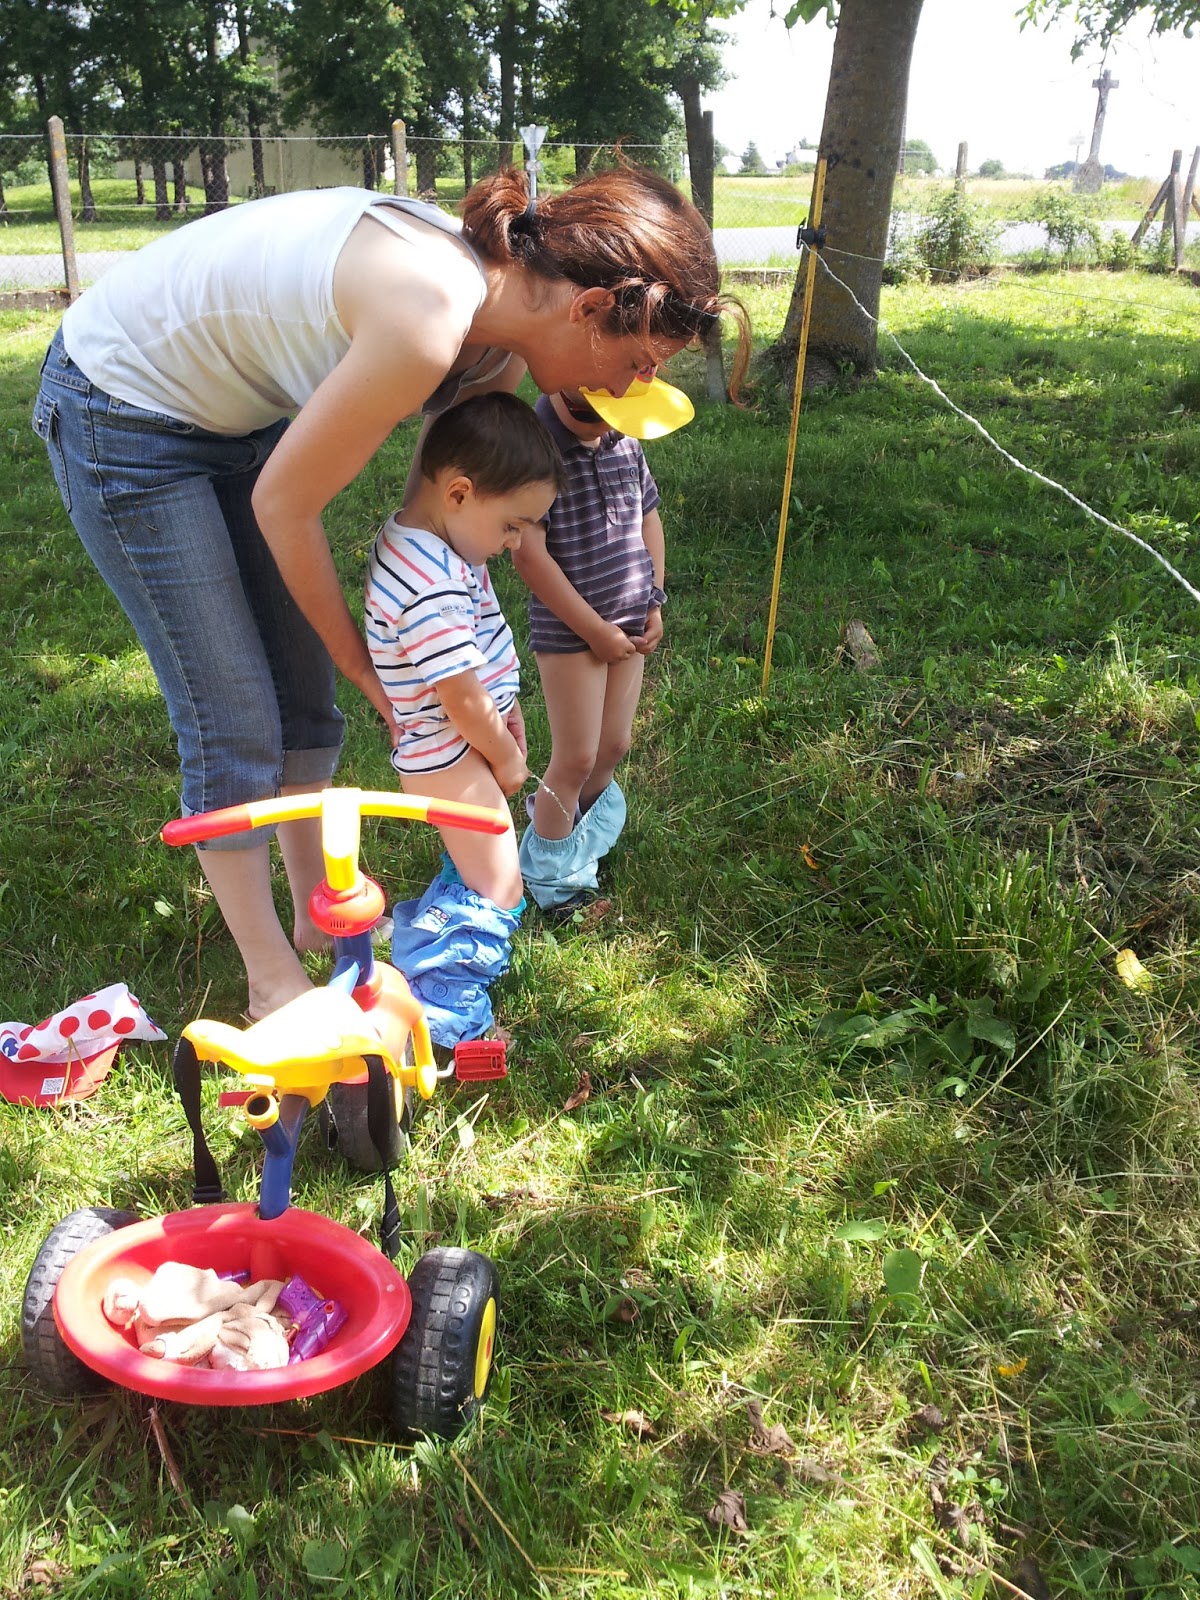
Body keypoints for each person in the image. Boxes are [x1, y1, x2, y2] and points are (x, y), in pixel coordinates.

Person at [32, 162, 750, 1021]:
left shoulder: (496, 343)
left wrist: (472, 680)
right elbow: (286, 507)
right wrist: (375, 672)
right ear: (589, 307)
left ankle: (309, 917)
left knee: (307, 707)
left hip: (235, 416)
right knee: (234, 719)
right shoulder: (429, 315)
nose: (634, 389)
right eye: (637, 362)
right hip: (121, 409)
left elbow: (434, 528)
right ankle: (269, 978)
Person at [363, 392, 560, 1045]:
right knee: (502, 883)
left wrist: (510, 713)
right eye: (512, 526)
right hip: (447, 753)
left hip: (459, 743)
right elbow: (460, 698)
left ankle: (427, 932)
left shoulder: (434, 544)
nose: (512, 546)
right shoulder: (430, 582)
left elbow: (477, 661)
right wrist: (503, 754)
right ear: (459, 494)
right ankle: (449, 1018)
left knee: (480, 863)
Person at [513, 384, 670, 917]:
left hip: (628, 621)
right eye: (598, 421)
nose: (607, 433)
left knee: (613, 746)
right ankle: (551, 884)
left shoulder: (624, 429)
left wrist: (654, 598)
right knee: (576, 757)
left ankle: (565, 839)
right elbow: (530, 557)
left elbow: (648, 514)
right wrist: (593, 629)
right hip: (570, 631)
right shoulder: (538, 446)